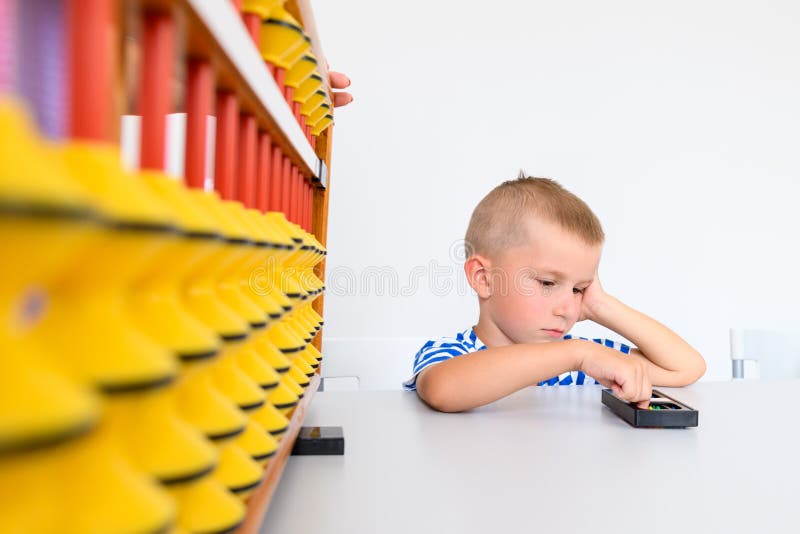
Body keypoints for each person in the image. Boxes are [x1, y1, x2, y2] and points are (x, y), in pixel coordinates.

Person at [403, 174, 706, 412]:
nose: (567, 309)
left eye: (578, 289)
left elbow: (685, 367)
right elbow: (443, 390)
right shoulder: (452, 354)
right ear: (484, 278)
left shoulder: (589, 360)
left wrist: (601, 306)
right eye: (547, 283)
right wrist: (577, 355)